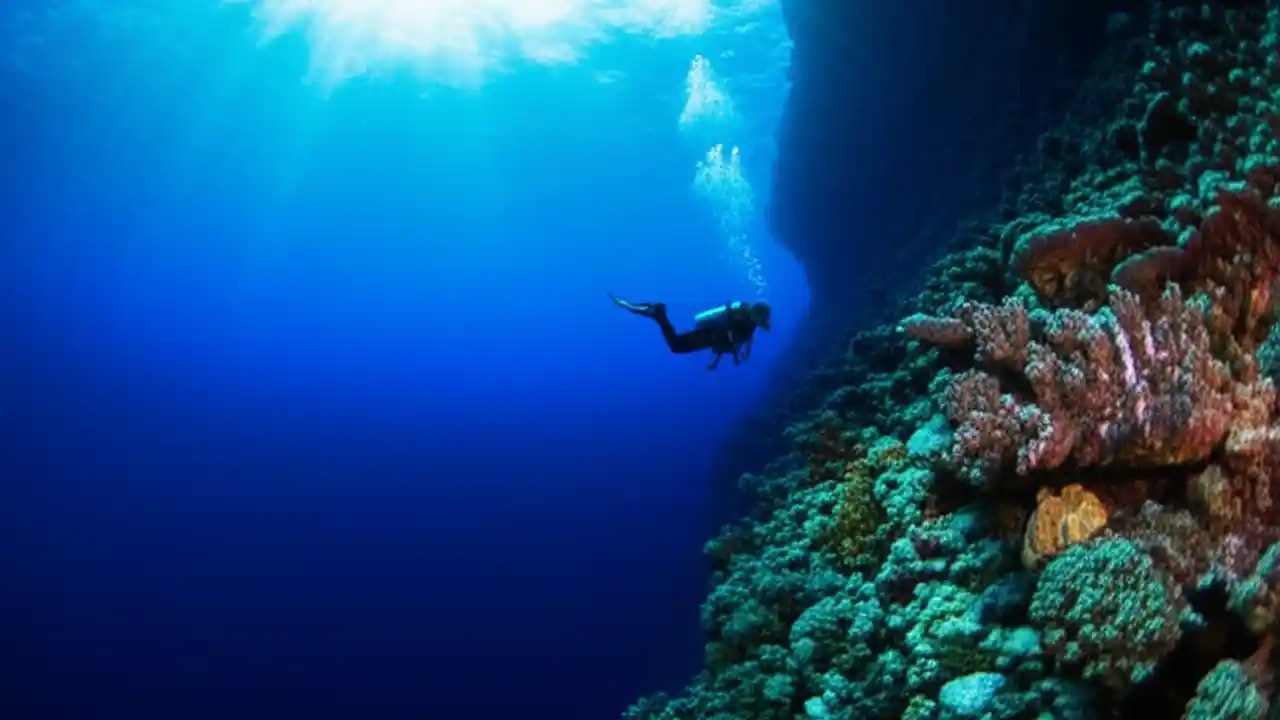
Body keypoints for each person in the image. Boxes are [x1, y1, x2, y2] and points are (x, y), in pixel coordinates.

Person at [609, 293, 771, 370]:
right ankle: (658, 313)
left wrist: (718, 361)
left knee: (676, 345)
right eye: (763, 318)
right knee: (676, 346)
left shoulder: (748, 320)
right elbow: (730, 341)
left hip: (708, 337)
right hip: (707, 336)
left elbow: (735, 340)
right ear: (757, 314)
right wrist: (732, 357)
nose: (764, 322)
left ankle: (658, 313)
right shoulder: (742, 321)